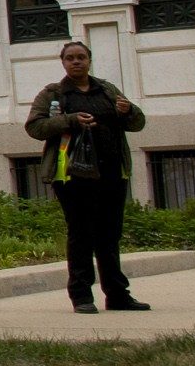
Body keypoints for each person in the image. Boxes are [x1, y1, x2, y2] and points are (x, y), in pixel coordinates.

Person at [26, 40, 152, 314]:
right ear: (63, 62)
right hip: (72, 177)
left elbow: (138, 122)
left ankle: (118, 295)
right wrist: (70, 121)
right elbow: (35, 127)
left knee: (109, 235)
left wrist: (128, 111)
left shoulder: (106, 90)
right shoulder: (54, 94)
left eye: (81, 57)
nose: (76, 62)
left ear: (89, 60)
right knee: (81, 234)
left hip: (111, 174)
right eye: (70, 58)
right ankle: (82, 295)